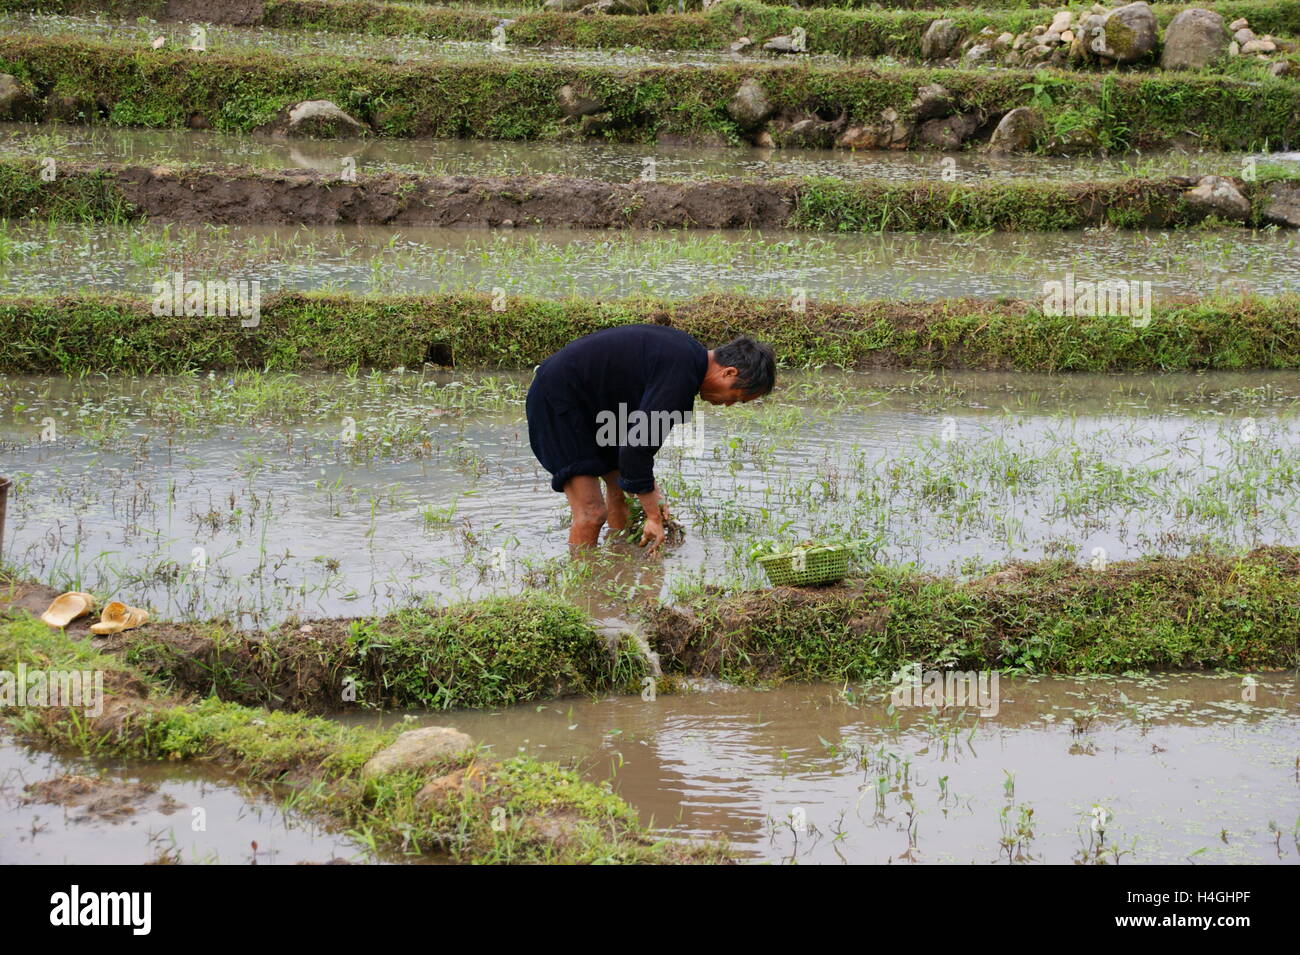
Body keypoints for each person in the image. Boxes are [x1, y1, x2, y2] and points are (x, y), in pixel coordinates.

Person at [526, 324, 776, 553]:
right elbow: (637, 448)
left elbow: (635, 447)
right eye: (736, 397)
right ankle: (583, 590)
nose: (729, 405)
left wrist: (651, 493)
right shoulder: (682, 372)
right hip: (560, 403)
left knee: (621, 495)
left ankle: (617, 563)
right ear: (729, 372)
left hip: (596, 408)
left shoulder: (685, 356)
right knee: (591, 511)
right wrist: (653, 515)